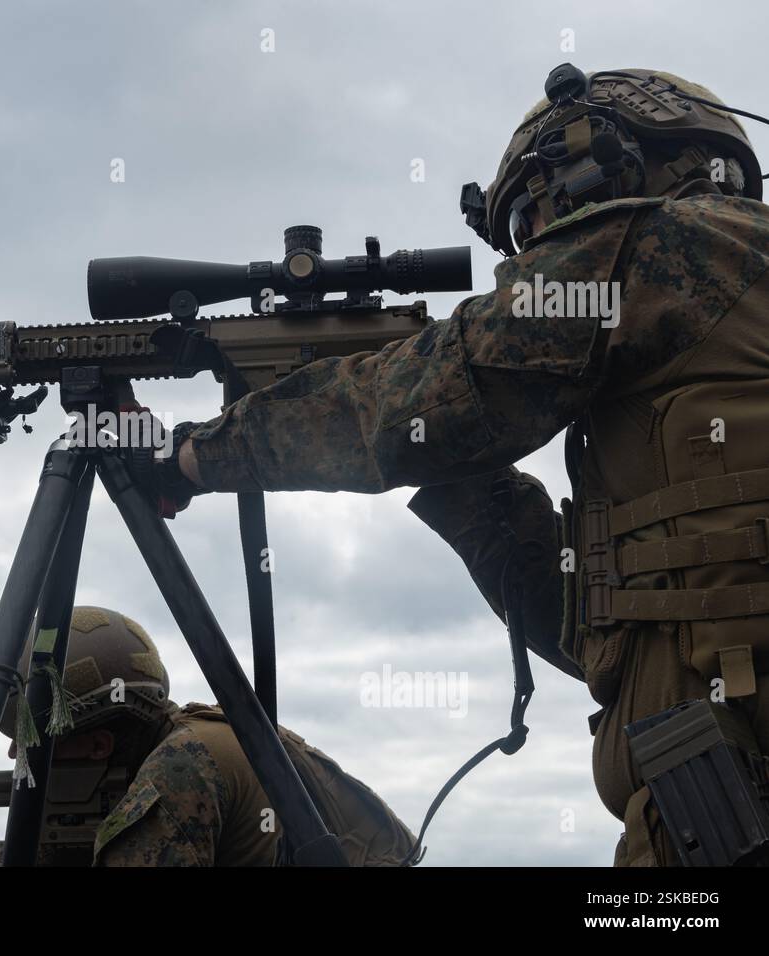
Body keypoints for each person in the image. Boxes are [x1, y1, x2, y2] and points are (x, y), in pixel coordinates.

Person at [142, 66, 769, 866]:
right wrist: (459, 473)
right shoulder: (720, 318)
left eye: (538, 213)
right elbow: (602, 633)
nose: (538, 249)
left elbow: (440, 393)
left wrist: (197, 453)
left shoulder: (680, 243)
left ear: (605, 165)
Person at [0, 606, 415, 866]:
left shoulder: (181, 767)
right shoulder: (196, 736)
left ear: (99, 744)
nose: (15, 753)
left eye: (34, 739)